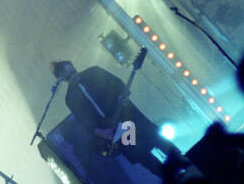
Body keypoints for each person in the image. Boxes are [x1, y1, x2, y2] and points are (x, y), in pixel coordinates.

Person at [49, 59, 181, 176]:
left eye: (73, 71)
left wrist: (123, 96)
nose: (74, 76)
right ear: (63, 80)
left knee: (155, 137)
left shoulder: (93, 72)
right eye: (69, 76)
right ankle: (170, 178)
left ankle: (183, 161)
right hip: (114, 129)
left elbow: (117, 83)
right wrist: (98, 131)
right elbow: (84, 120)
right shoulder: (70, 98)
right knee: (143, 156)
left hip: (128, 114)